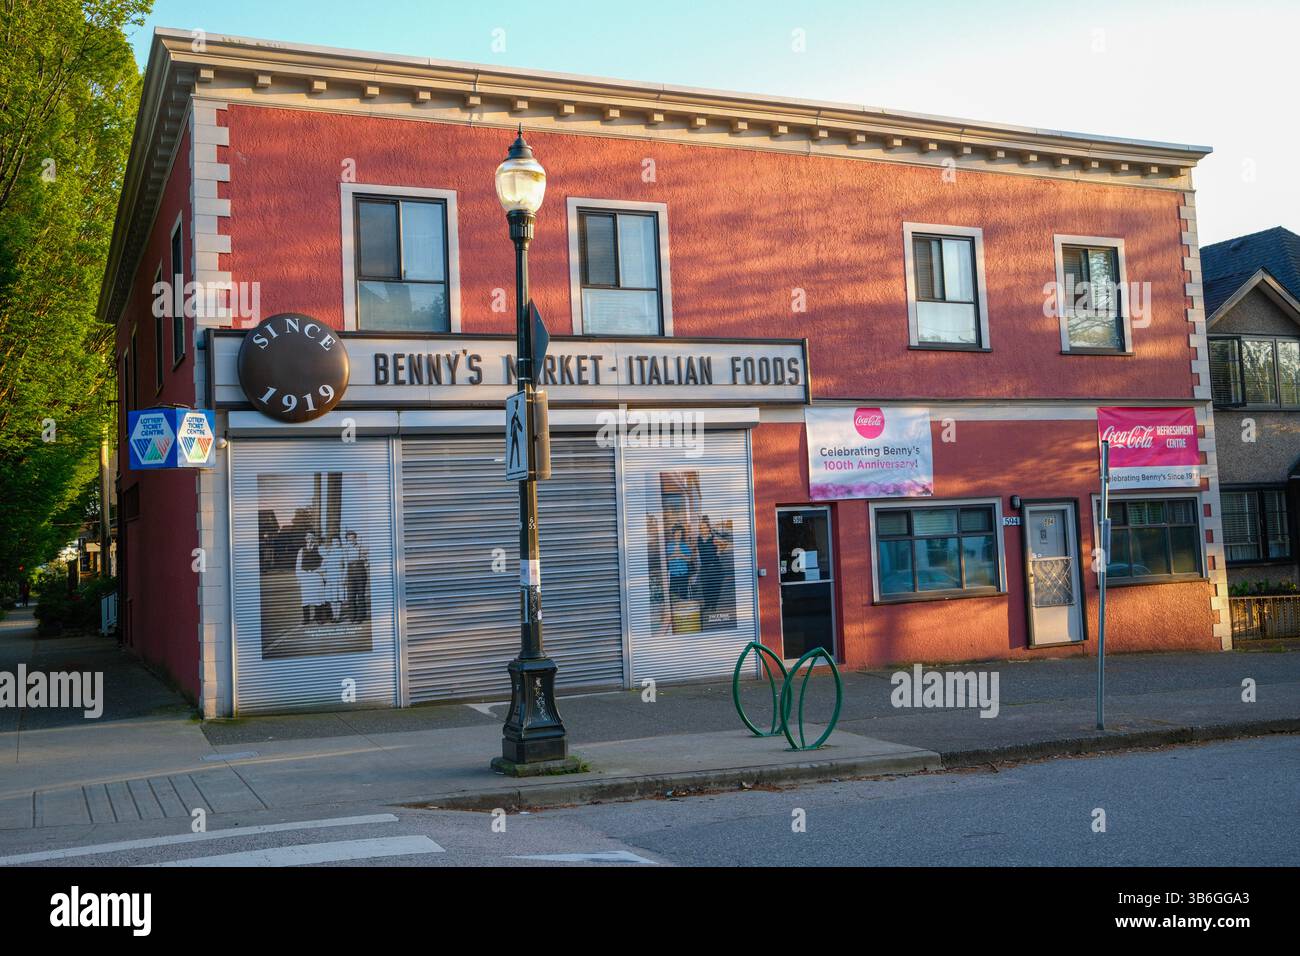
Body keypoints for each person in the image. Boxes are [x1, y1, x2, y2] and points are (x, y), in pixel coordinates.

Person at [696, 516, 723, 625]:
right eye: (700, 528)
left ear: (708, 528)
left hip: (715, 565)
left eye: (703, 528)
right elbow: (695, 550)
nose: (702, 530)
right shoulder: (698, 539)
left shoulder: (713, 538)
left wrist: (719, 550)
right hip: (704, 566)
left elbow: (724, 545)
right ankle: (707, 604)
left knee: (715, 585)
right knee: (705, 585)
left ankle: (714, 605)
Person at [295, 531, 326, 625]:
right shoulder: (301, 550)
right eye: (308, 537)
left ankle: (318, 618)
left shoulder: (320, 549)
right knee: (305, 598)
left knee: (318, 597)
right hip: (305, 576)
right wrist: (298, 578)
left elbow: (325, 562)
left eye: (311, 537)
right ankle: (306, 619)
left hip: (316, 576)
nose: (309, 539)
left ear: (314, 538)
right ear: (305, 539)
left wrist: (320, 571)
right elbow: (298, 565)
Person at [344, 530, 369, 624]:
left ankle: (360, 617)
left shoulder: (361, 547)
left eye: (352, 538)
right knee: (351, 596)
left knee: (360, 595)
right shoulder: (346, 549)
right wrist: (345, 577)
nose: (351, 540)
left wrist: (365, 559)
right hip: (350, 573)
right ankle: (352, 616)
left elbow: (367, 560)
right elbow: (346, 563)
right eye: (349, 538)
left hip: (360, 572)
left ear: (355, 538)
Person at [666, 525, 692, 601]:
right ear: (673, 534)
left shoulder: (684, 546)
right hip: (673, 574)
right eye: (676, 533)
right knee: (673, 595)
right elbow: (667, 559)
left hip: (684, 573)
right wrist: (675, 554)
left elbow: (689, 559)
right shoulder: (669, 546)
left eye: (680, 533)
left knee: (683, 595)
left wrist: (680, 554)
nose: (678, 535)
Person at [324, 534, 346, 623]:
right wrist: (325, 575)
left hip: (339, 577)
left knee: (338, 597)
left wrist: (344, 577)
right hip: (330, 577)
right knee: (332, 598)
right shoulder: (329, 552)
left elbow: (345, 566)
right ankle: (334, 616)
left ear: (339, 542)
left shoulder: (343, 551)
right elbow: (325, 564)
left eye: (337, 541)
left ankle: (338, 616)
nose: (335, 543)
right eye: (334, 542)